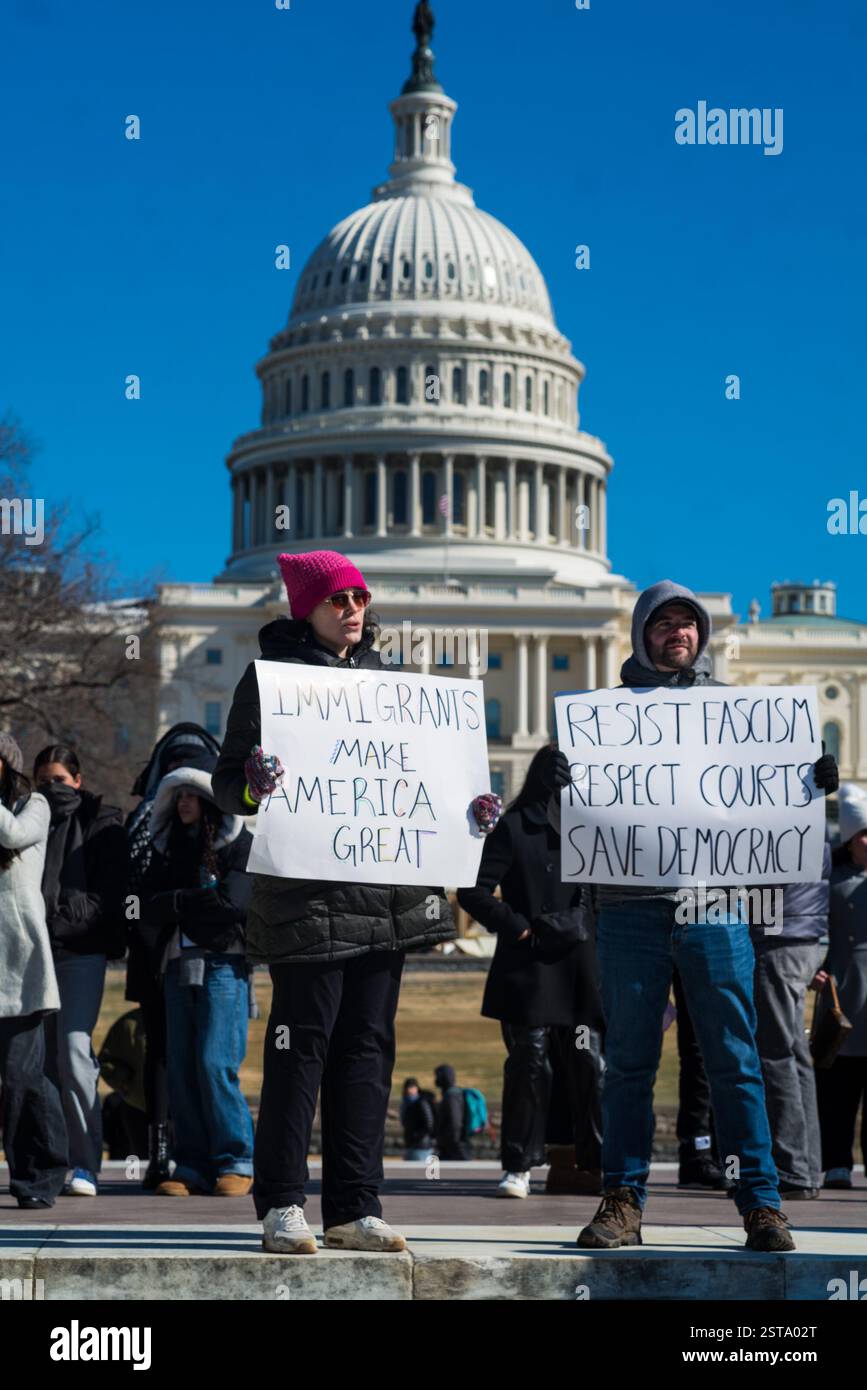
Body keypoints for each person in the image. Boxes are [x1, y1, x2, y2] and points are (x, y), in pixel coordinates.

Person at [212, 549, 495, 1254]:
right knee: (299, 1051)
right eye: (339, 599)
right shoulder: (271, 683)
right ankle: (281, 1202)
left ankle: (354, 1206)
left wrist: (469, 812)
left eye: (361, 598)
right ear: (306, 606)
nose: (354, 611)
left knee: (366, 1053)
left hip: (385, 897)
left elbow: (419, 782)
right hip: (307, 895)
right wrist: (252, 782)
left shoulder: (387, 684)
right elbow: (227, 787)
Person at [544, 580, 838, 1252]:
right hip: (628, 911)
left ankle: (761, 1203)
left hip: (715, 904)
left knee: (734, 1058)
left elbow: (777, 817)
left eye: (686, 623)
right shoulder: (604, 719)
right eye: (662, 623)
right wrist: (563, 795)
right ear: (642, 633)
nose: (675, 632)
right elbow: (572, 834)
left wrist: (812, 788)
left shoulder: (740, 716)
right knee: (627, 1064)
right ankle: (621, 1200)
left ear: (700, 636)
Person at [458, 744, 604, 1199]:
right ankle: (519, 1164)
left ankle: (596, 1162)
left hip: (581, 961)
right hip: (531, 963)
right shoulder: (514, 829)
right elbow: (474, 891)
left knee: (590, 1064)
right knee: (529, 1064)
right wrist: (517, 929)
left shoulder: (592, 830)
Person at [140, 766, 255, 1196]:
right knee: (183, 1068)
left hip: (224, 966)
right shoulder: (169, 850)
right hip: (176, 965)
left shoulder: (240, 845)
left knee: (214, 1063)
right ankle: (192, 1165)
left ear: (209, 803)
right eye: (179, 796)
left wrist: (177, 903)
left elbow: (233, 903)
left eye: (191, 796)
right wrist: (191, 902)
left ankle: (236, 1160)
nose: (183, 803)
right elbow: (147, 906)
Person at [125, 723, 222, 1189]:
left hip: (195, 954)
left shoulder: (219, 835)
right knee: (168, 1056)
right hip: (157, 955)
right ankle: (166, 1152)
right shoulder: (151, 824)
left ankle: (202, 1154)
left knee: (207, 1057)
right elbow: (139, 895)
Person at [34, 744, 128, 1198]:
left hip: (81, 954)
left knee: (73, 1051)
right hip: (34, 956)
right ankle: (50, 1161)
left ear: (78, 779)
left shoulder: (103, 824)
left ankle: (86, 1164)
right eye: (44, 781)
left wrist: (53, 918)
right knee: (41, 1063)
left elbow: (108, 900)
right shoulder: (27, 820)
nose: (52, 789)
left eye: (60, 780)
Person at [0, 733, 68, 1208]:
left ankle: (39, 1175)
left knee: (22, 1078)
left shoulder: (35, 805)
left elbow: (13, 836)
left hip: (21, 963)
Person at [751, 839, 830, 1200]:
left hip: (779, 936)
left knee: (776, 1056)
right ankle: (807, 1167)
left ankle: (793, 1167)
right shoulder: (808, 814)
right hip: (802, 935)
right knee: (795, 1056)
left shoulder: (775, 815)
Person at [814, 783, 867, 1189]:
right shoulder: (827, 878)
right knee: (838, 1083)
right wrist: (815, 966)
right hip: (841, 991)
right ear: (850, 841)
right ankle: (836, 1162)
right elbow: (812, 928)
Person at [433, 1064, 473, 1160]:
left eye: (437, 1076)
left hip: (455, 1148)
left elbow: (455, 1123)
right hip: (453, 1146)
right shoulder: (452, 1094)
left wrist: (450, 1142)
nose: (435, 1080)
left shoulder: (452, 1096)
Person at [400, 1078, 436, 1161]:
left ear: (416, 1088)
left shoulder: (421, 1103)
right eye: (407, 1087)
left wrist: (417, 1135)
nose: (408, 1090)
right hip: (411, 1144)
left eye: (411, 1087)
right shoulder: (406, 1103)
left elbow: (429, 1123)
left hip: (421, 1145)